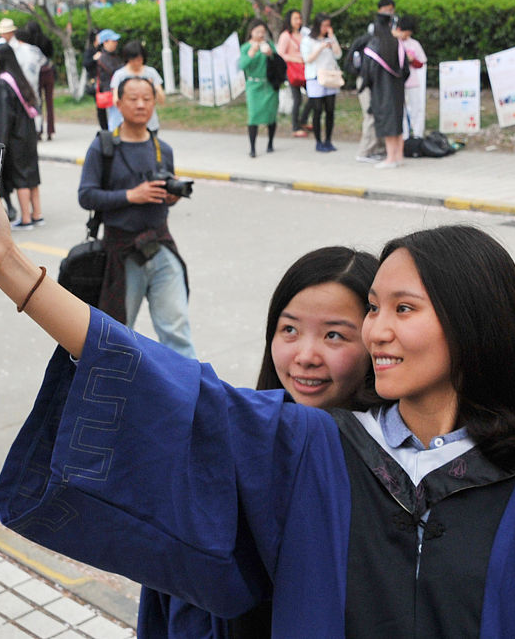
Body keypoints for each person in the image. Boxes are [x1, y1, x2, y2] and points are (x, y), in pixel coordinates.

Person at [0, 197, 515, 637]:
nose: (377, 329)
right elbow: (164, 385)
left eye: (403, 309)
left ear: (472, 321)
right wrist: (5, 264)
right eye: (374, 308)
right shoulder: (318, 444)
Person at [142, 245, 380, 635]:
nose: (305, 355)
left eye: (334, 335)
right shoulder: (238, 441)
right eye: (289, 329)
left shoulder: (389, 468)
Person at [78, 76, 197, 359]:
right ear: (118, 104)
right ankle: (111, 394)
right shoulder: (103, 147)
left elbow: (162, 194)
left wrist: (172, 196)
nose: (141, 104)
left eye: (147, 99)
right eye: (133, 99)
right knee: (117, 334)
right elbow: (86, 196)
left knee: (176, 330)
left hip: (161, 246)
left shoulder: (162, 149)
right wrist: (131, 196)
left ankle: (189, 394)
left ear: (155, 103)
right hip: (121, 252)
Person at [0, 42, 42, 230]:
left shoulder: (3, 84)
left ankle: (26, 219)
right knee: (32, 175)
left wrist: (0, 143)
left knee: (21, 176)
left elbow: (4, 117)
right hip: (29, 134)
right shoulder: (18, 78)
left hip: (16, 137)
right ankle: (37, 214)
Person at [362, 6, 407, 169]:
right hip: (397, 89)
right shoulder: (397, 43)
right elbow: (406, 70)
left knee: (387, 122)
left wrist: (366, 84)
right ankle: (399, 156)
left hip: (381, 89)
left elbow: (367, 71)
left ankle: (390, 158)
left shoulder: (374, 45)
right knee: (397, 120)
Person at [348, 0, 391, 163]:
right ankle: (364, 151)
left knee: (377, 114)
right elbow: (351, 63)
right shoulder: (366, 41)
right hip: (366, 83)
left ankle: (378, 148)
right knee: (370, 115)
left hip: (375, 83)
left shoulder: (381, 41)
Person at [300, 14, 342, 152]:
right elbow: (307, 59)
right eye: (324, 25)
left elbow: (338, 55)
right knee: (317, 110)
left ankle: (328, 139)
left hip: (330, 77)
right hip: (315, 78)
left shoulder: (330, 39)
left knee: (330, 110)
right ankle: (318, 141)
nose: (326, 28)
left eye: (328, 25)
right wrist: (320, 48)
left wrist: (332, 38)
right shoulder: (308, 40)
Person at [238, 20, 278, 157]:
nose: (261, 35)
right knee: (253, 116)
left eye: (263, 32)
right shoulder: (245, 47)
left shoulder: (269, 45)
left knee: (271, 115)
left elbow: (278, 63)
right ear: (251, 32)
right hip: (254, 85)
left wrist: (271, 54)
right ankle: (253, 148)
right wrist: (252, 53)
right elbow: (242, 65)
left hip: (269, 85)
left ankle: (270, 143)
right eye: (257, 32)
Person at [108, 40, 166, 132]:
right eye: (133, 60)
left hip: (150, 125)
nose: (136, 63)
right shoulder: (120, 75)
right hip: (127, 125)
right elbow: (116, 100)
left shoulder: (151, 73)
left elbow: (162, 100)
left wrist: (153, 88)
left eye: (139, 59)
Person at [277, 9, 314, 138]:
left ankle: (303, 121)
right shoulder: (285, 36)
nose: (299, 21)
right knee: (297, 99)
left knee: (313, 96)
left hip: (304, 69)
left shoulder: (303, 35)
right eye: (295, 19)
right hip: (293, 71)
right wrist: (296, 59)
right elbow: (280, 54)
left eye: (300, 18)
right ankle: (295, 126)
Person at [83, 29, 124, 130]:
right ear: (105, 42)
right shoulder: (102, 57)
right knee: (115, 121)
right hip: (109, 91)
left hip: (116, 91)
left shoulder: (114, 55)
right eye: (113, 41)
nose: (116, 43)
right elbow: (114, 71)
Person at [395, 15, 427, 140]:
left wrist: (412, 60)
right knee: (401, 111)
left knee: (416, 108)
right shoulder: (394, 43)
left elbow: (421, 63)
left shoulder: (414, 44)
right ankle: (404, 136)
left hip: (412, 81)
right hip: (398, 82)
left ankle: (417, 134)